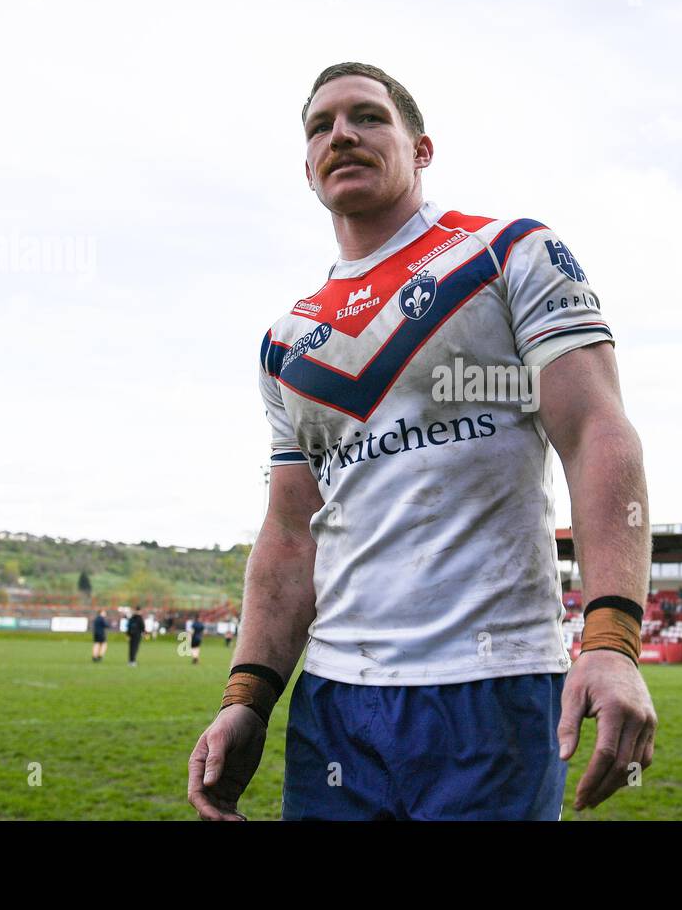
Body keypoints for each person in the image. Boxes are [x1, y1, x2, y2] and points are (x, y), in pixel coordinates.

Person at [188, 62, 656, 822]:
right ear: (307, 168)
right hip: (334, 704)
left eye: (367, 117)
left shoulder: (506, 253)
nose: (340, 133)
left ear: (422, 148)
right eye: (320, 126)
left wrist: (610, 636)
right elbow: (288, 534)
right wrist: (247, 696)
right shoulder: (287, 342)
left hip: (492, 687)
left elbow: (597, 433)